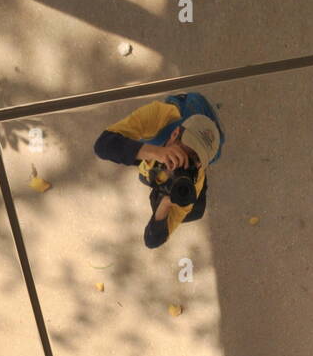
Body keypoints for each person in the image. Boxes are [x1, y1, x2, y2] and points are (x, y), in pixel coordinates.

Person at [93, 91, 224, 249]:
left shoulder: (194, 182)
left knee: (195, 210)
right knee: (141, 159)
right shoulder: (158, 116)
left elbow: (152, 240)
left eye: (195, 159)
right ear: (175, 134)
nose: (185, 162)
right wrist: (155, 152)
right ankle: (189, 101)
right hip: (172, 125)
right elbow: (103, 145)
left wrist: (166, 203)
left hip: (179, 160)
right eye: (186, 149)